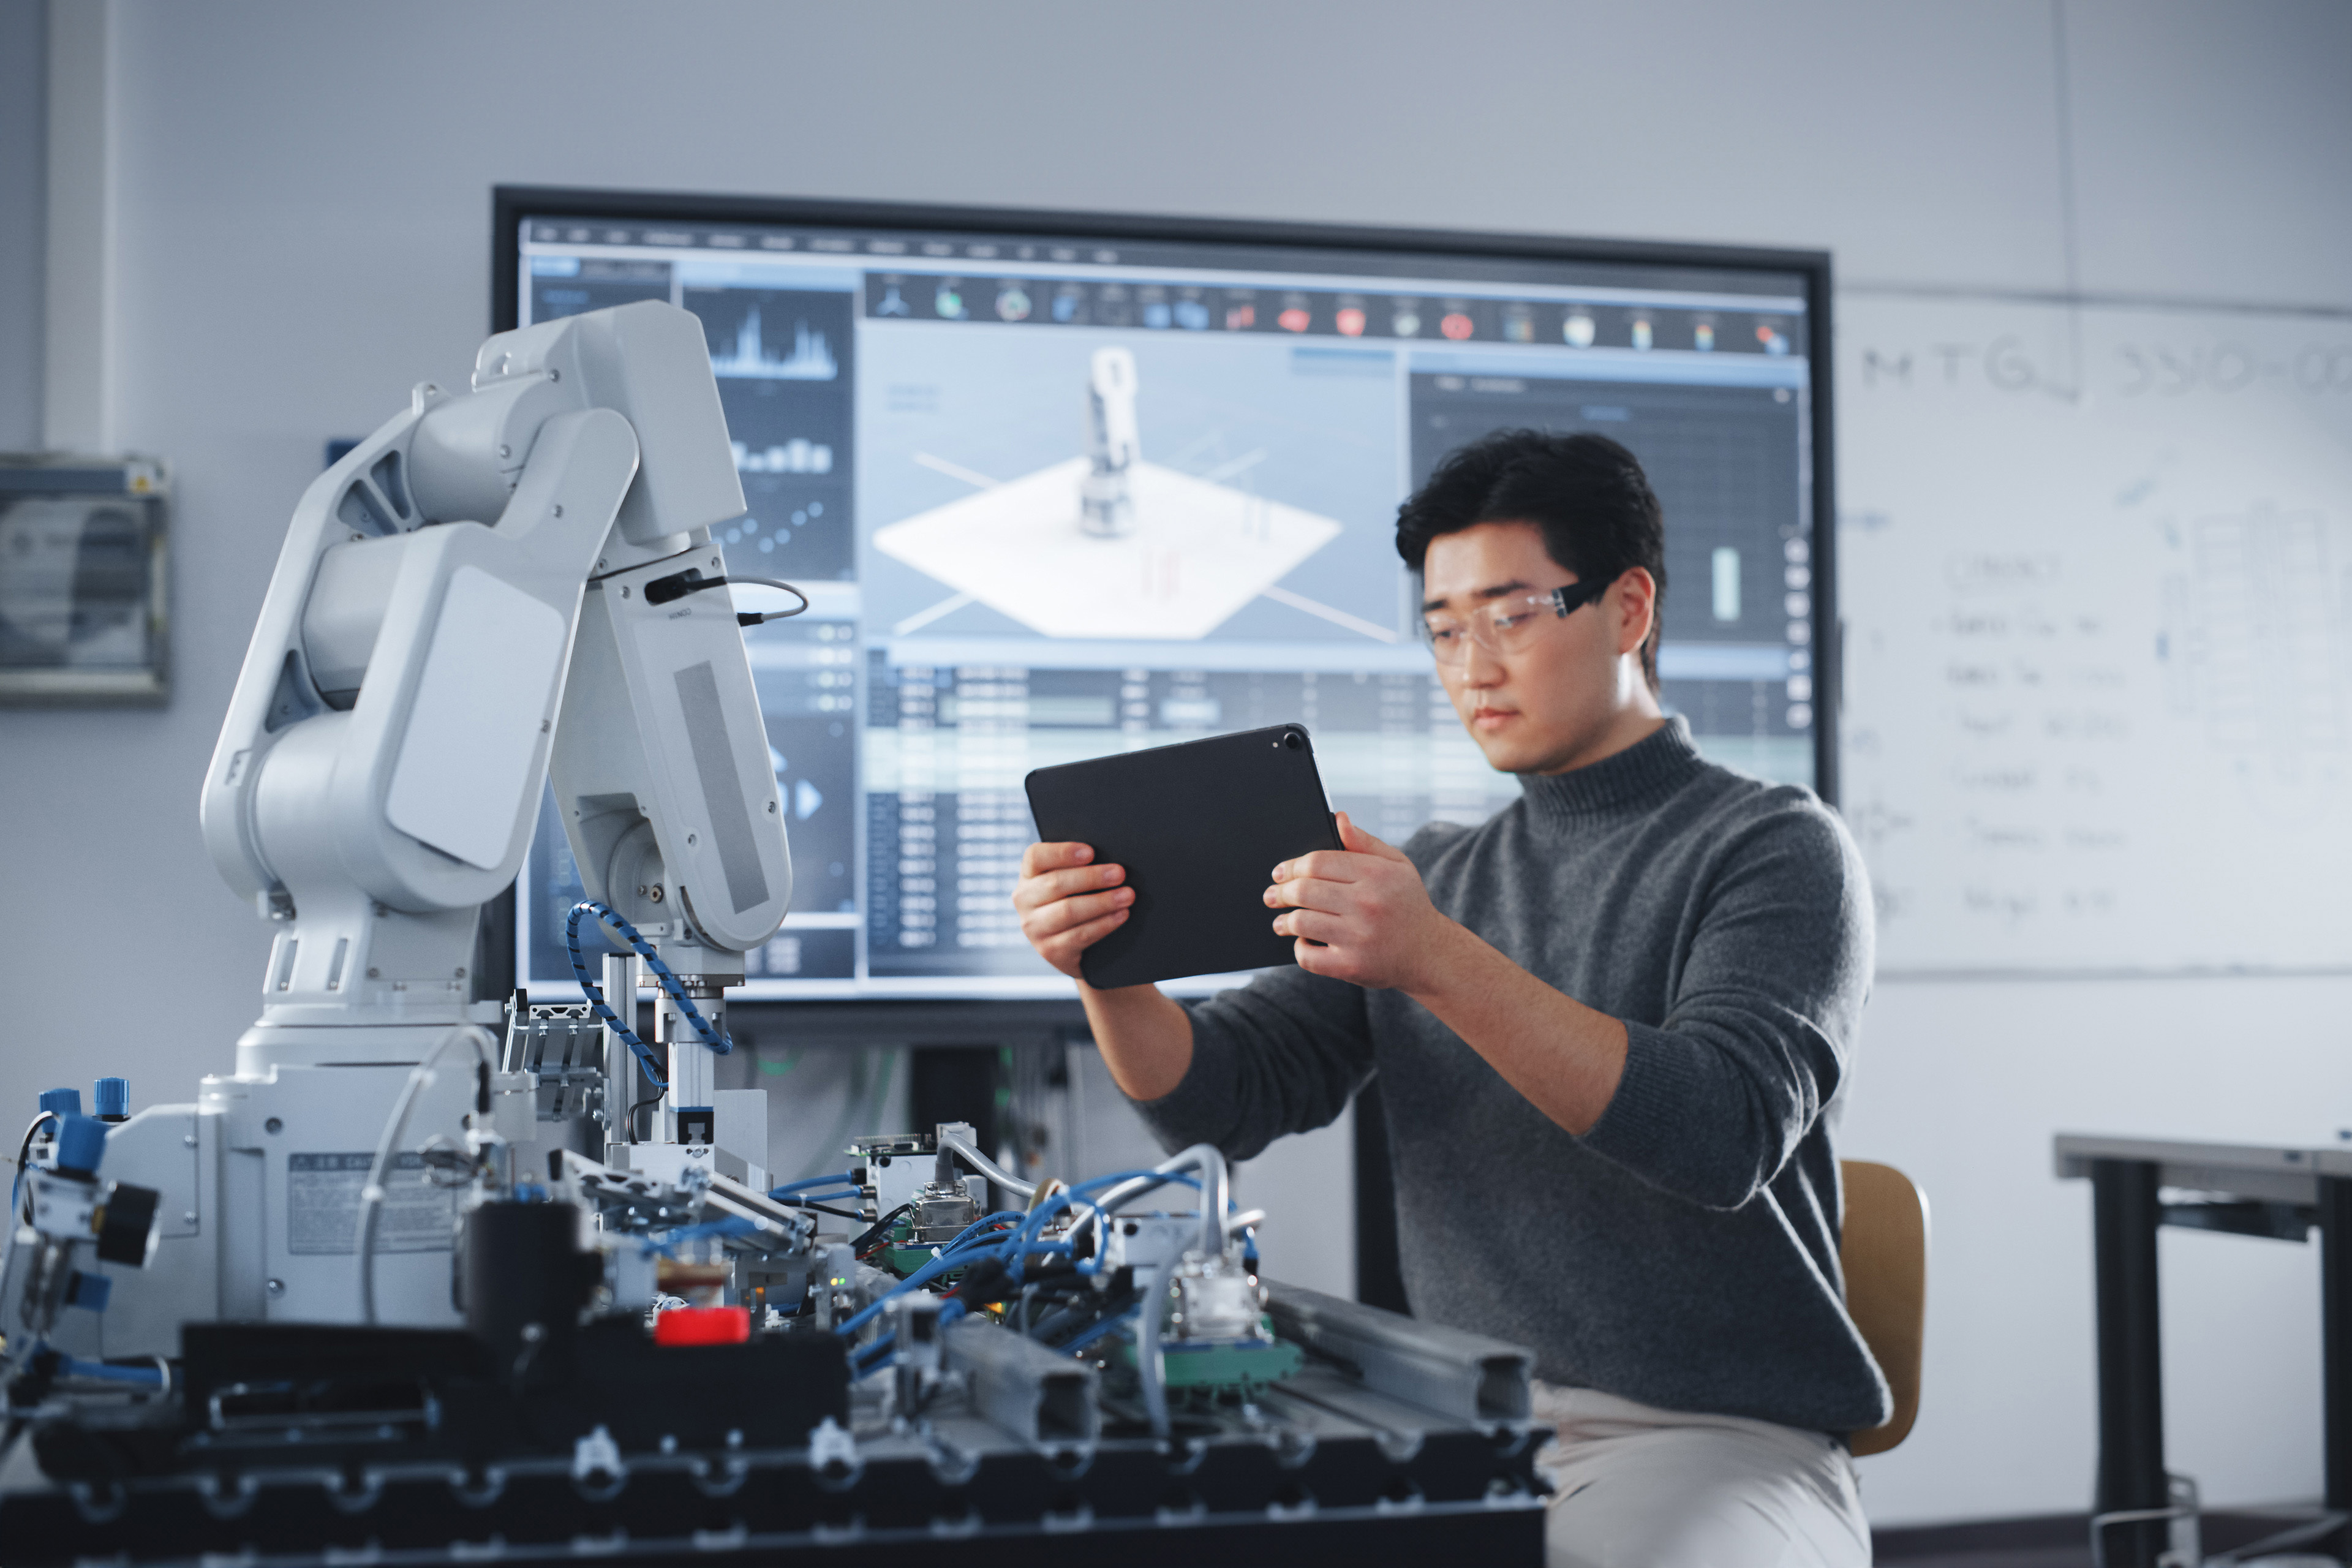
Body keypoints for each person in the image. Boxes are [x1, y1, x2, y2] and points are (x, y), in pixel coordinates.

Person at [1013, 428, 1883, 1568]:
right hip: (1456, 1419)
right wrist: (1106, 968)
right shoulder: (1439, 870)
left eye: (1511, 613)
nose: (1471, 663)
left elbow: (1721, 1132)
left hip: (1718, 1439)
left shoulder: (1775, 846)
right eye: (1442, 628)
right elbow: (1222, 1102)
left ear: (1629, 609)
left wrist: (1433, 957)